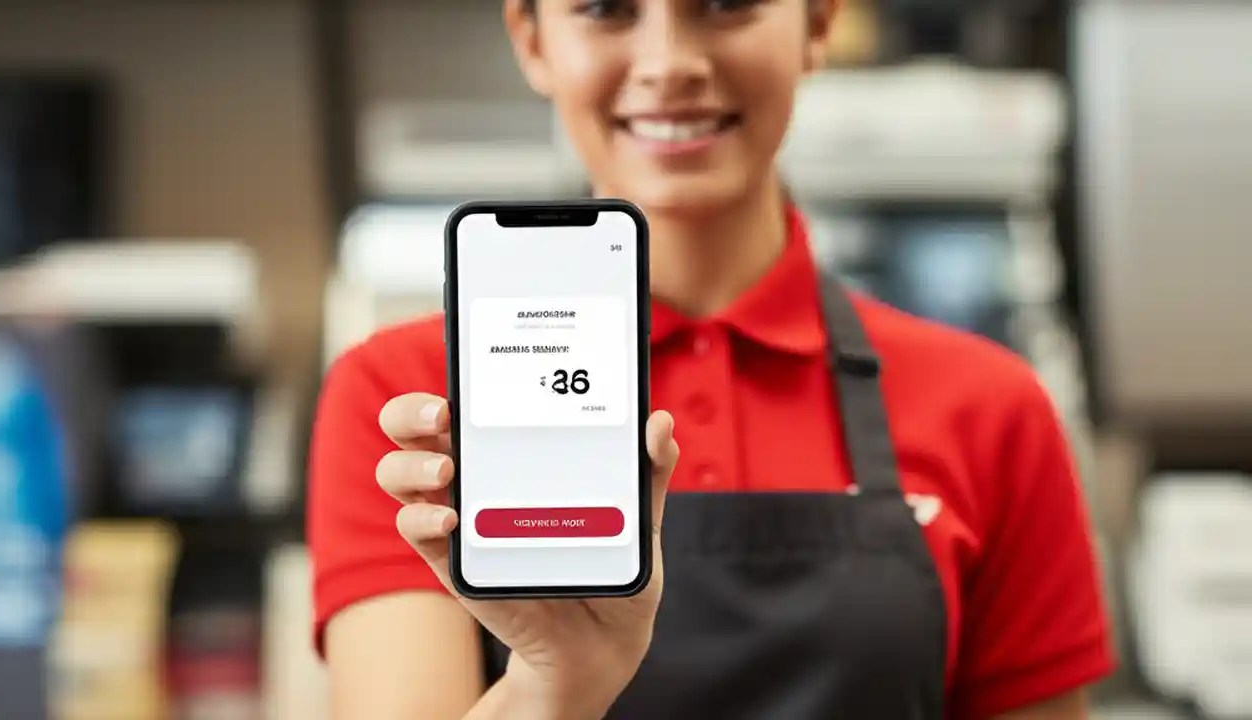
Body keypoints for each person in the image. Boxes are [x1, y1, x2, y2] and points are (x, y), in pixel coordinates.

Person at [308, 1, 1115, 717]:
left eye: (726, 3)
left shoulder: (992, 407)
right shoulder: (408, 407)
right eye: (606, 9)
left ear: (819, 23)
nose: (670, 64)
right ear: (533, 38)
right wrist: (559, 681)